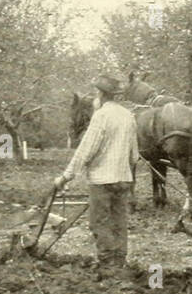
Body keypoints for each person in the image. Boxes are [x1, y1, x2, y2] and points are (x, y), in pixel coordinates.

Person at [54, 74, 138, 279]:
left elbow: (85, 150)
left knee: (98, 222)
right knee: (119, 221)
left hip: (102, 181)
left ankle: (108, 265)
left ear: (100, 94)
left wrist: (65, 177)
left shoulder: (100, 115)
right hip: (124, 179)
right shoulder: (129, 115)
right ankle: (120, 262)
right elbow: (135, 155)